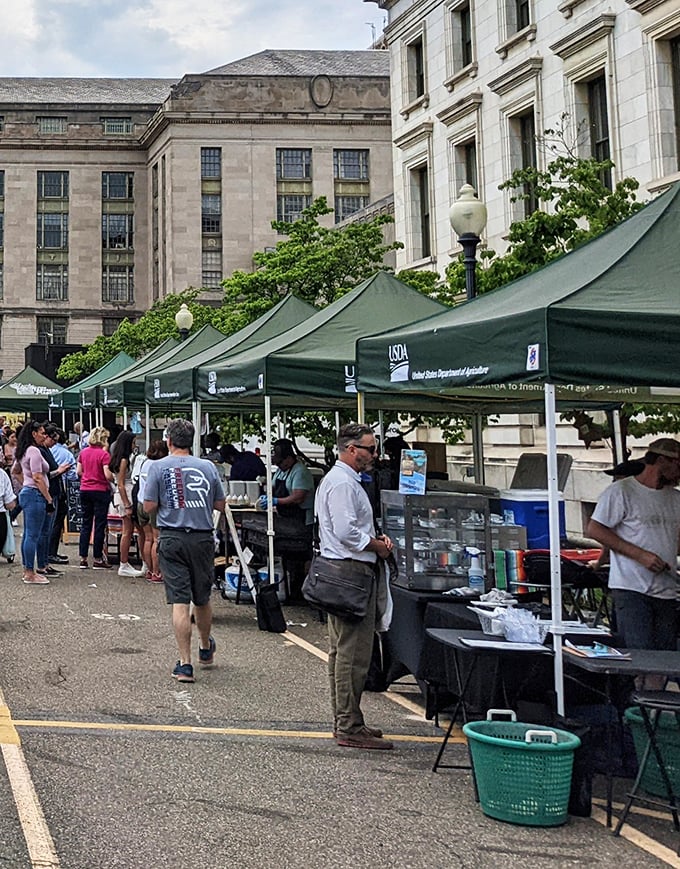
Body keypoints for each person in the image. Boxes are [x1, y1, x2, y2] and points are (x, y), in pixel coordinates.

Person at [315, 423, 394, 751]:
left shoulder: (343, 481)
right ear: (351, 449)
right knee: (353, 652)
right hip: (351, 572)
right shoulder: (342, 484)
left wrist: (374, 541)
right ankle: (348, 722)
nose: (374, 455)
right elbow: (348, 532)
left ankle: (347, 719)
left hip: (346, 570)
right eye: (370, 449)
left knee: (343, 650)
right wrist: (377, 546)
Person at [143, 418, 225, 683]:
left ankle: (185, 664)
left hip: (172, 536)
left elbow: (148, 505)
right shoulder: (207, 467)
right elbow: (221, 504)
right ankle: (204, 647)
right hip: (201, 538)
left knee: (180, 600)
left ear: (168, 441)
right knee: (202, 598)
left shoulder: (157, 467)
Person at [587, 438, 680, 659]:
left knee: (664, 658)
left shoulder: (675, 499)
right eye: (678, 465)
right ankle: (637, 692)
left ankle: (653, 693)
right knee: (638, 655)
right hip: (631, 588)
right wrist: (640, 555)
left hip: (667, 589)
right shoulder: (622, 492)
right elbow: (596, 529)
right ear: (660, 461)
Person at [14, 420, 55, 585]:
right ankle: (30, 572)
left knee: (28, 534)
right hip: (35, 494)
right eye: (42, 433)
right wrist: (49, 498)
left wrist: (25, 482)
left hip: (27, 492)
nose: (44, 436)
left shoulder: (23, 450)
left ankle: (27, 569)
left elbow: (15, 470)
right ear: (34, 433)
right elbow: (38, 477)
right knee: (33, 535)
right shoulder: (34, 452)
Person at [77, 426, 114, 570]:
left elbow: (79, 471)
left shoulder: (83, 452)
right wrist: (113, 477)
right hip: (100, 490)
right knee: (99, 524)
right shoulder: (104, 455)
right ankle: (97, 558)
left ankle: (83, 557)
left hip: (85, 489)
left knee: (86, 523)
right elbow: (107, 475)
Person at [37, 425, 71, 577]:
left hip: (56, 491)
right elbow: (41, 475)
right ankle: (44, 561)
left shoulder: (48, 450)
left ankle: (46, 560)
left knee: (50, 528)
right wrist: (60, 471)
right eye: (52, 439)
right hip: (49, 492)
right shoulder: (40, 451)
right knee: (46, 530)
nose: (53, 443)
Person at [109, 430, 144, 577]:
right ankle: (124, 563)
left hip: (122, 495)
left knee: (132, 531)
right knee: (128, 531)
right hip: (126, 495)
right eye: (133, 442)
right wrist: (127, 504)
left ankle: (129, 563)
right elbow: (122, 484)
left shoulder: (118, 458)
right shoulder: (124, 460)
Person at [135, 439, 168, 583]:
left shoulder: (144, 463)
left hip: (141, 503)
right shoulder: (160, 466)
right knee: (157, 540)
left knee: (147, 539)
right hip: (153, 504)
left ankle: (149, 570)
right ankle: (157, 572)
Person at [47, 427, 77, 564]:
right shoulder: (66, 453)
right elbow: (72, 475)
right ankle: (51, 553)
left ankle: (50, 553)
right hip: (58, 489)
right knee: (55, 522)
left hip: (48, 489)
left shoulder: (47, 451)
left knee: (51, 522)